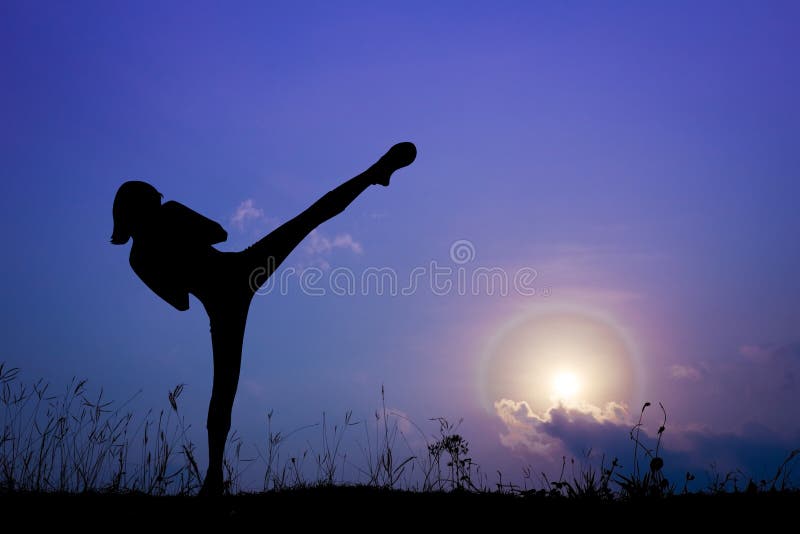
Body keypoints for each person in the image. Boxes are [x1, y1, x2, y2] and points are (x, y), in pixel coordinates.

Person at [111, 142, 417, 495]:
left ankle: (213, 478)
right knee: (309, 218)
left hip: (224, 298)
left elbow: (180, 302)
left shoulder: (138, 258)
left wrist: (177, 256)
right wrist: (178, 222)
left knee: (223, 388)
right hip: (242, 273)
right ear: (146, 203)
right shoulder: (169, 217)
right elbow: (219, 234)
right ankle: (372, 174)